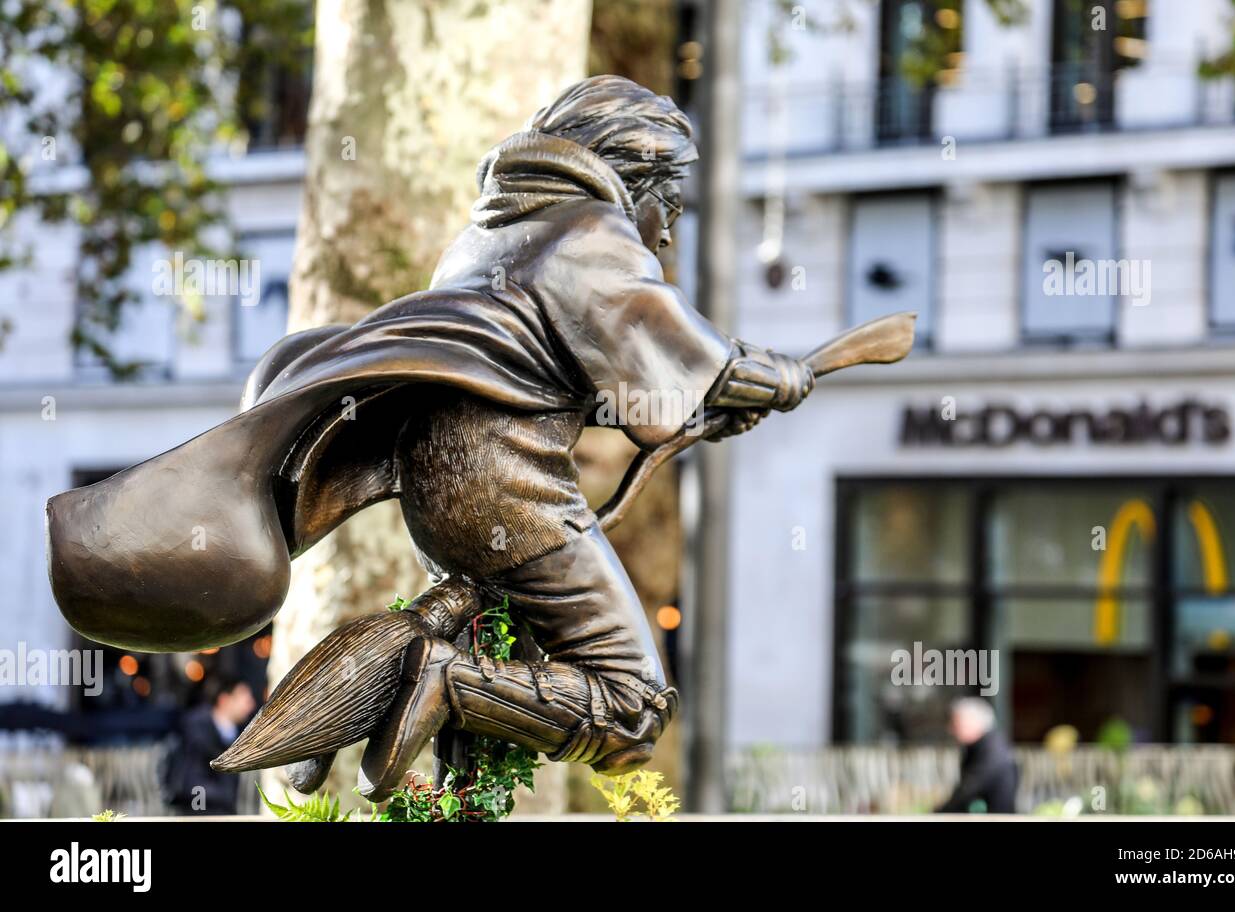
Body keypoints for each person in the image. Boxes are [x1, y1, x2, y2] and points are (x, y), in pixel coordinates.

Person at [49, 75, 817, 801]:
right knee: (630, 708)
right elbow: (680, 348)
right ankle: (440, 678)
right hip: (509, 486)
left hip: (442, 496)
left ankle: (398, 696)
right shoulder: (594, 229)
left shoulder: (490, 235)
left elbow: (593, 380)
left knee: (496, 652)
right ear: (633, 176)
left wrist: (704, 405)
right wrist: (769, 375)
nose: (668, 232)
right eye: (668, 204)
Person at [164, 675, 256, 815]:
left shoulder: (237, 732)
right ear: (224, 700)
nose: (252, 705)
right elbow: (193, 784)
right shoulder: (196, 730)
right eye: (246, 699)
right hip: (199, 812)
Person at [936, 697, 1018, 814]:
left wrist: (939, 813)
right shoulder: (980, 746)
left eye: (956, 724)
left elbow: (969, 789)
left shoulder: (991, 749)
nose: (951, 730)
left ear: (973, 723)